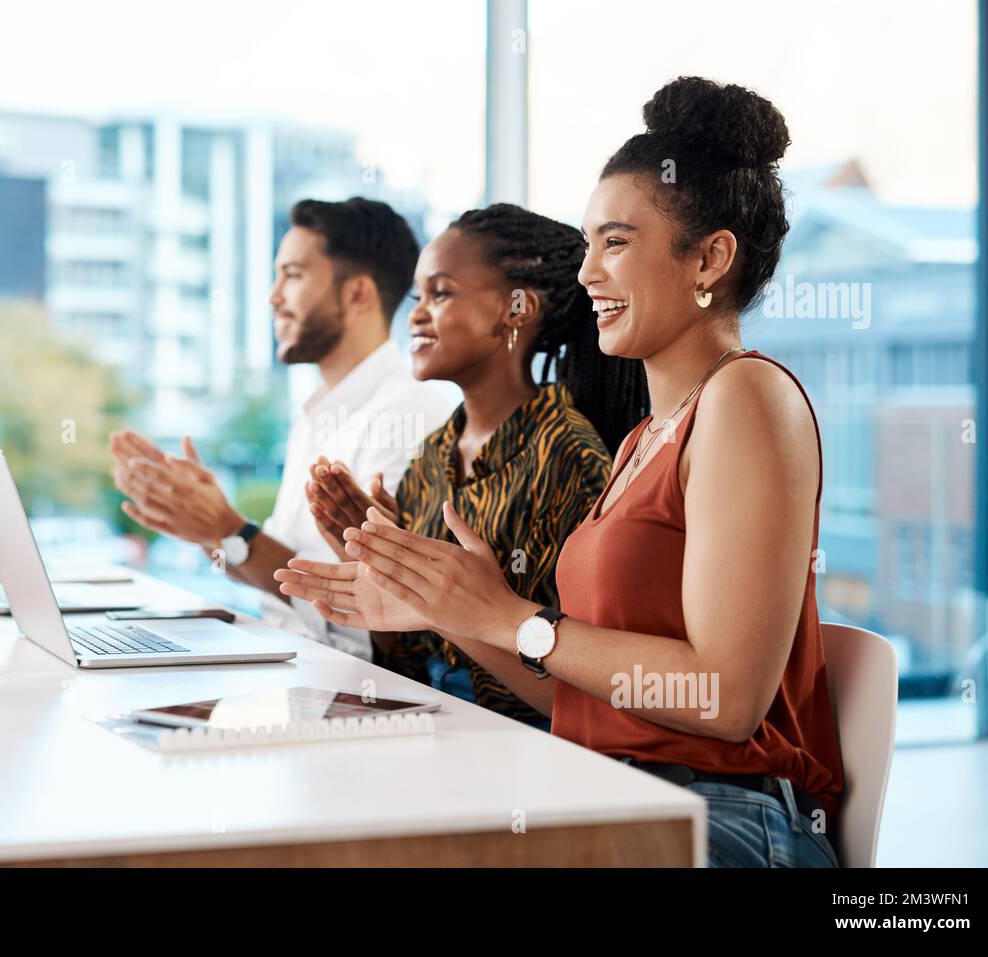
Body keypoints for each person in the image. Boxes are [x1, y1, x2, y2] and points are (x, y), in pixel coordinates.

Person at [276, 77, 845, 867]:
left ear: (711, 256)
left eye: (615, 242)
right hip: (610, 786)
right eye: (587, 246)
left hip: (718, 820)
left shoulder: (748, 397)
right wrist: (451, 609)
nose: (586, 274)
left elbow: (724, 695)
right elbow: (578, 697)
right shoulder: (641, 440)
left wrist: (514, 618)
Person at [297, 204, 647, 728]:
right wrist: (385, 572)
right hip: (435, 727)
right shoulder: (434, 456)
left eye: (440, 293)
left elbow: (578, 692)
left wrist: (441, 603)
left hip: (527, 746)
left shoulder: (569, 457)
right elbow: (410, 662)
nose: (415, 314)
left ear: (517, 309)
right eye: (418, 296)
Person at [110, 197, 452, 659]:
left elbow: (375, 615)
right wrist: (207, 528)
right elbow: (276, 571)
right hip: (292, 660)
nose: (273, 297)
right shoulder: (316, 415)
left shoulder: (411, 418)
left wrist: (232, 530)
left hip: (351, 683)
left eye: (292, 275)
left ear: (358, 293)